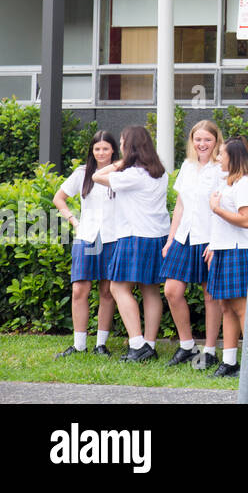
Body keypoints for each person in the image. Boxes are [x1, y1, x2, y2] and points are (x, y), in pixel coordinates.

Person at [93, 124, 171, 362]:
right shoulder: (159, 172)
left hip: (134, 235)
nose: (121, 145)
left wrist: (121, 162)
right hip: (157, 235)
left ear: (131, 147)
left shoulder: (133, 175)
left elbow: (97, 176)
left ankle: (137, 345)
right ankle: (149, 344)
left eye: (123, 142)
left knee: (118, 288)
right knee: (150, 289)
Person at [160, 120, 224, 368]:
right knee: (171, 291)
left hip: (209, 238)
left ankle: (209, 350)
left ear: (216, 141)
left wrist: (217, 242)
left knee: (211, 295)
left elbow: (223, 207)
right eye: (198, 139)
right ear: (192, 141)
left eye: (207, 139)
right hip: (184, 237)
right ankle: (187, 345)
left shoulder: (222, 169)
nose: (202, 144)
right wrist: (170, 238)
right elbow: (180, 205)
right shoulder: (187, 166)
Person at [51, 131, 121, 357]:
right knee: (80, 289)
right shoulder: (82, 173)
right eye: (97, 149)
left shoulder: (121, 173)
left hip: (113, 237)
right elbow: (58, 198)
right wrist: (73, 220)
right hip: (87, 236)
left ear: (113, 151)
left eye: (105, 149)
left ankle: (101, 344)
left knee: (107, 291)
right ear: (92, 151)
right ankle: (79, 344)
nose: (101, 153)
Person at [204, 136, 248, 377]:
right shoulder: (227, 182)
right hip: (224, 249)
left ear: (234, 157)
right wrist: (213, 245)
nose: (218, 157)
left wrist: (217, 209)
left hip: (239, 250)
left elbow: (246, 220)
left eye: (222, 154)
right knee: (226, 307)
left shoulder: (245, 184)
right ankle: (229, 362)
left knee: (243, 308)